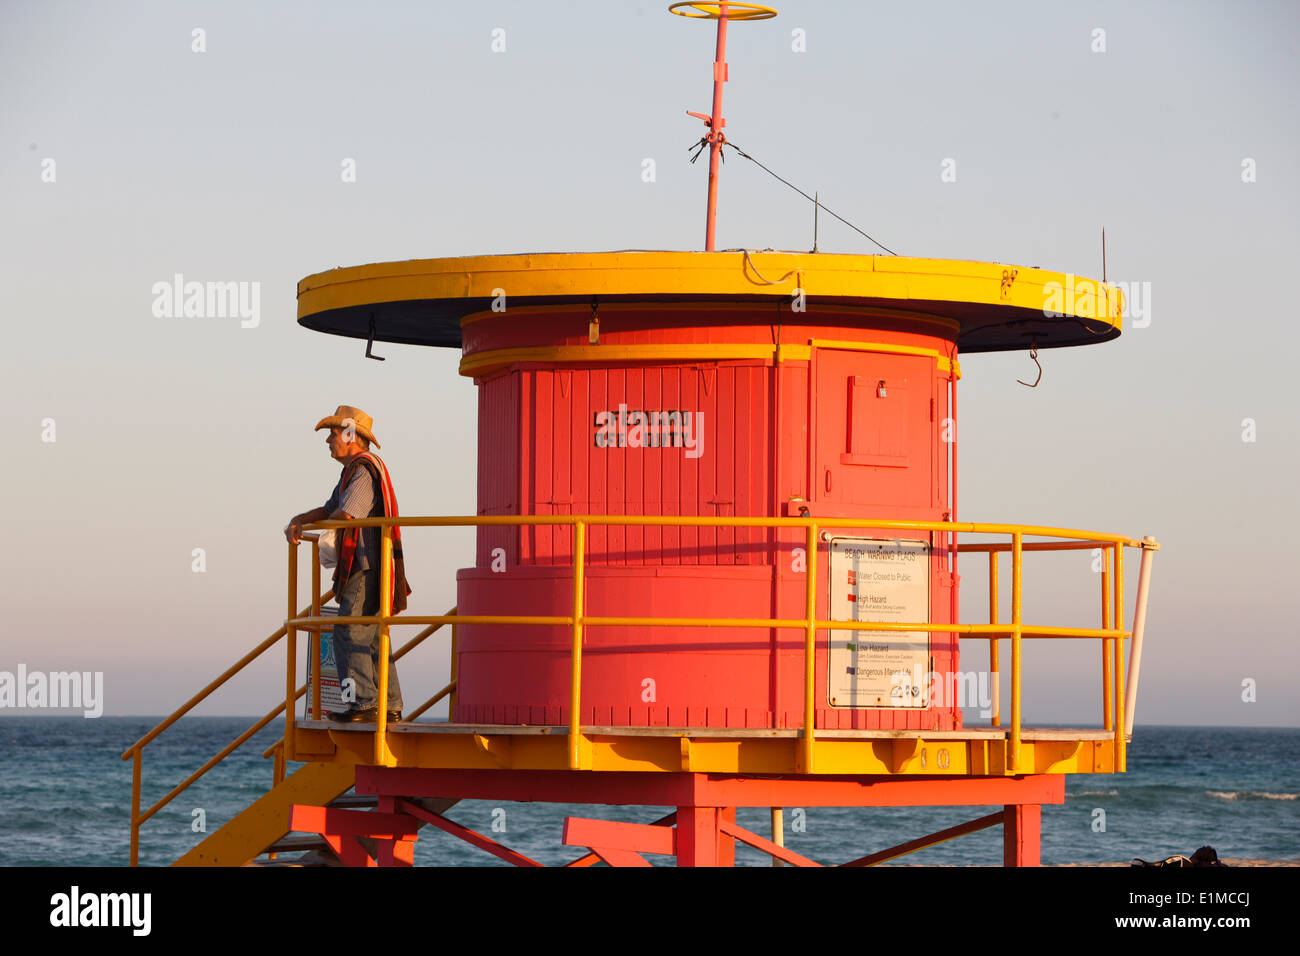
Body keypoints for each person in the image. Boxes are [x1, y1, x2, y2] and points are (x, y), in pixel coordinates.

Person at [285, 405, 412, 723]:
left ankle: (364, 703)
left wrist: (320, 523)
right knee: (369, 633)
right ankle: (389, 704)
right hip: (372, 563)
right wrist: (300, 519)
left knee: (349, 631)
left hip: (365, 563)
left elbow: (347, 513)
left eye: (332, 434)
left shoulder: (362, 470)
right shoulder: (354, 471)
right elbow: (332, 507)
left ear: (350, 436)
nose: (328, 441)